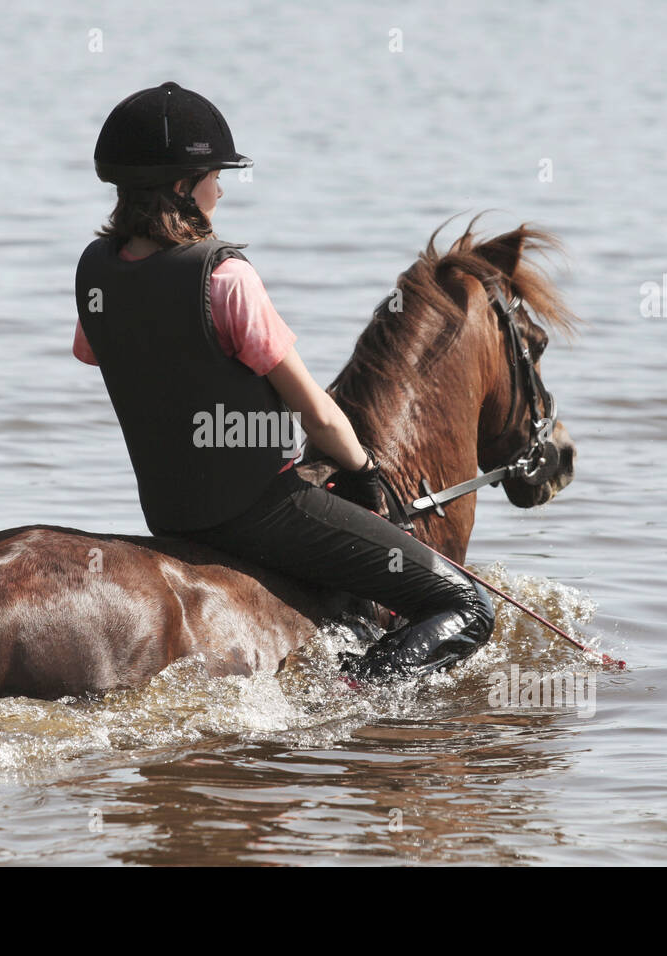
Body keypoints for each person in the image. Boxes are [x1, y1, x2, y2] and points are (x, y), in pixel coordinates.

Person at [73, 81, 493, 678]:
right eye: (215, 175)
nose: (219, 188)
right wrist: (365, 469)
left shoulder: (95, 271)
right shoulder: (226, 278)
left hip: (167, 512)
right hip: (262, 510)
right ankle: (355, 696)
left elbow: (93, 351)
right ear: (181, 186)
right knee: (468, 605)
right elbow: (317, 413)